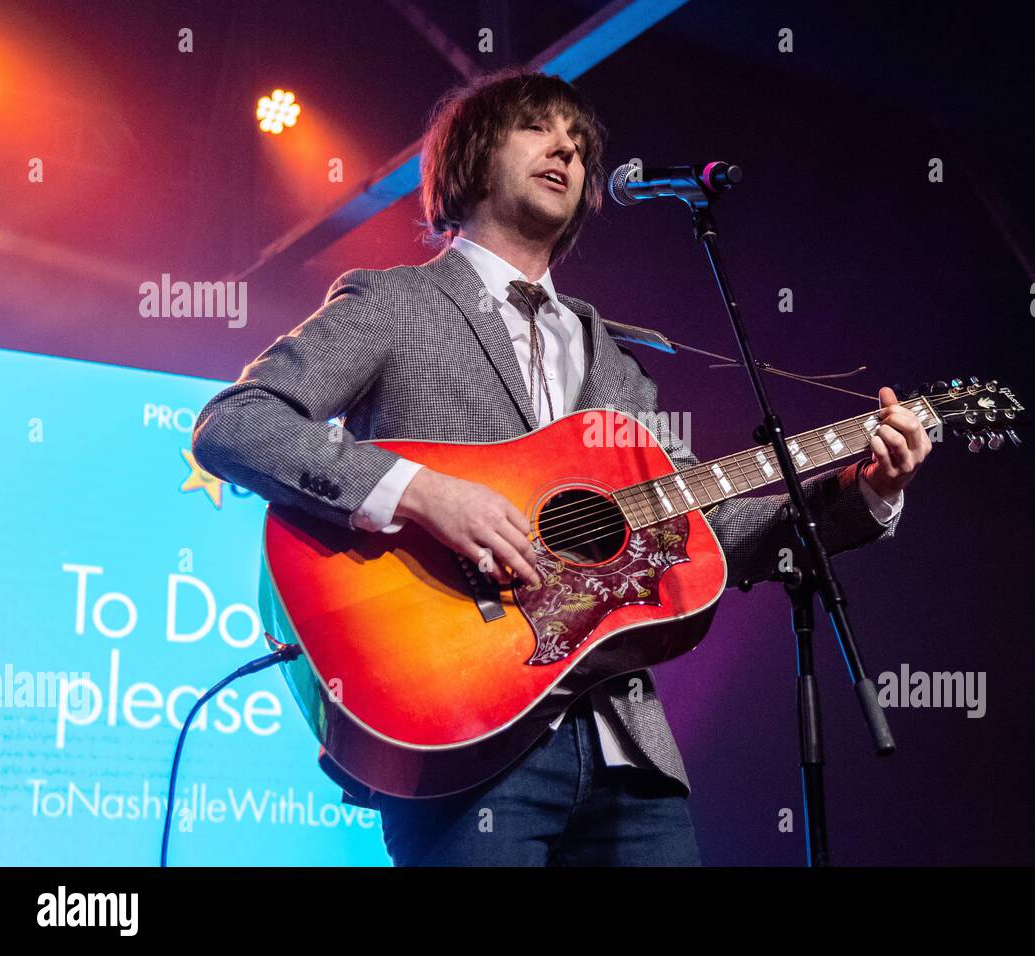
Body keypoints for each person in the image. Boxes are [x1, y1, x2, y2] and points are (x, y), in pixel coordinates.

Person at [192, 69, 931, 866]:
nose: (567, 150)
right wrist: (423, 493)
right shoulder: (394, 303)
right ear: (474, 157)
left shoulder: (618, 362)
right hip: (466, 742)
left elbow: (710, 530)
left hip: (631, 758)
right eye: (538, 129)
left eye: (578, 143)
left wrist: (867, 488)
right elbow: (237, 424)